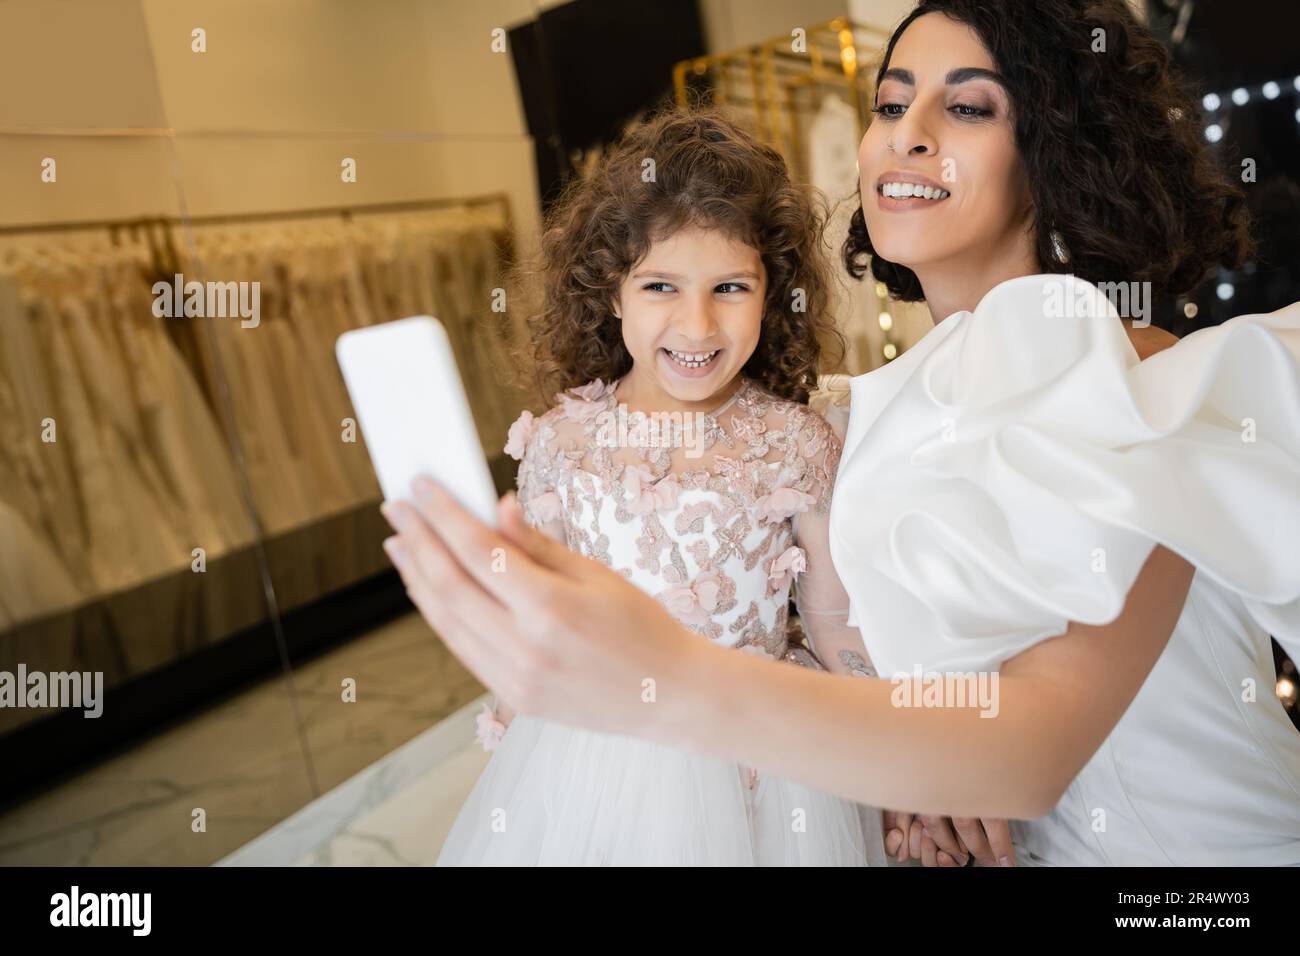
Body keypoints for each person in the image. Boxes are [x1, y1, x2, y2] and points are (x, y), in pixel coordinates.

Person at [383, 0, 1300, 866]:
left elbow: (1032, 750)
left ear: (1058, 149)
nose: (908, 132)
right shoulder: (852, 415)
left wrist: (669, 676)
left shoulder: (1148, 385)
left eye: (968, 108)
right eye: (891, 102)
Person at [426, 109, 886, 865]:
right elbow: (542, 620)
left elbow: (836, 626)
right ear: (612, 292)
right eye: (661, 285)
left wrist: (896, 748)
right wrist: (516, 733)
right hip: (604, 755)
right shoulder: (561, 446)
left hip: (770, 751)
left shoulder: (796, 443)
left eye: (731, 287)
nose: (696, 324)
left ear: (771, 295)